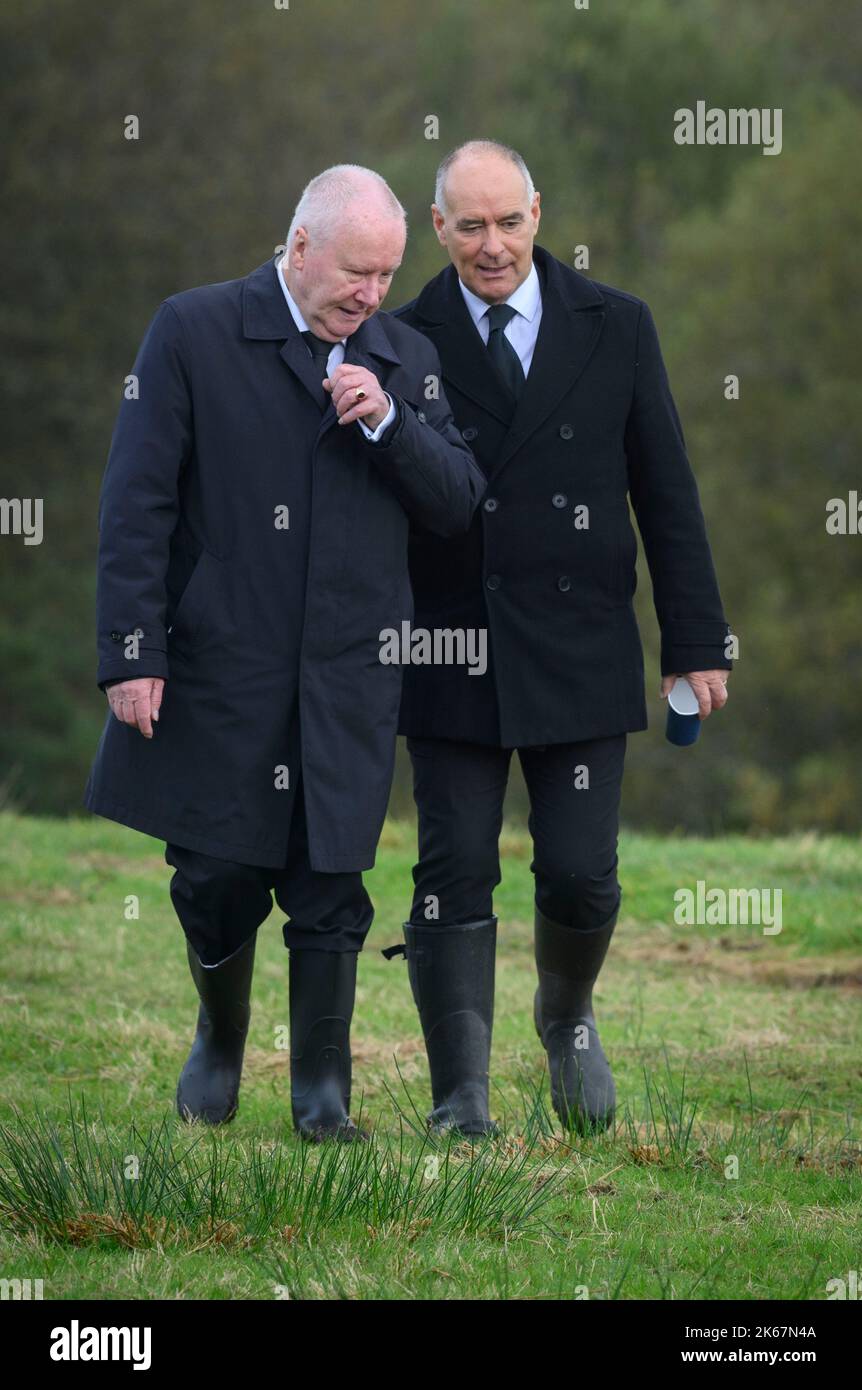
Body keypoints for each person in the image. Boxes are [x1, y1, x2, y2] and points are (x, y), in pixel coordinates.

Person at [84, 164, 485, 1141]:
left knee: (329, 888)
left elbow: (458, 501)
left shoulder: (404, 357)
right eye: (356, 271)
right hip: (225, 666)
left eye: (387, 275)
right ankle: (219, 1038)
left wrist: (387, 422)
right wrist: (132, 650)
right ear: (298, 247)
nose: (370, 294)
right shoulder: (193, 330)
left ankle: (321, 1097)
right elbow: (138, 501)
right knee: (215, 874)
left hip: (347, 677)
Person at [388, 140, 732, 1136]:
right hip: (447, 649)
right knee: (452, 868)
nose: (490, 245)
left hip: (580, 644)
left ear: (538, 213)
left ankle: (566, 1011)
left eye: (508, 222)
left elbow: (665, 490)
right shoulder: (403, 338)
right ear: (437, 225)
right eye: (468, 225)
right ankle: (461, 1096)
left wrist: (696, 637)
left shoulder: (614, 326)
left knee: (580, 870)